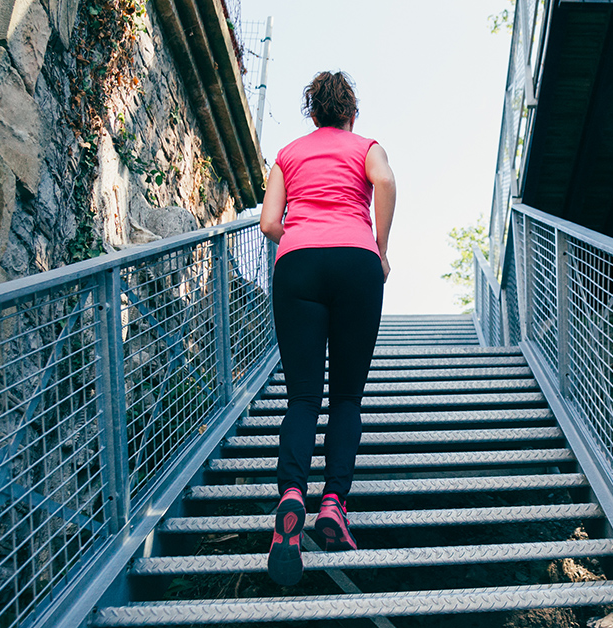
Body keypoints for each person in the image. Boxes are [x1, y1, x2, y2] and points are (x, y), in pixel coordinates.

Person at [258, 70, 395, 586]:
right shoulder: (366, 147)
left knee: (302, 398)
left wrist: (302, 225)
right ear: (351, 113)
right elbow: (385, 181)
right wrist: (379, 247)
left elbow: (270, 223)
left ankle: (292, 494)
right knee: (346, 398)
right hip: (357, 262)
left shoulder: (289, 155)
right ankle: (334, 503)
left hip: (298, 265)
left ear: (312, 113)